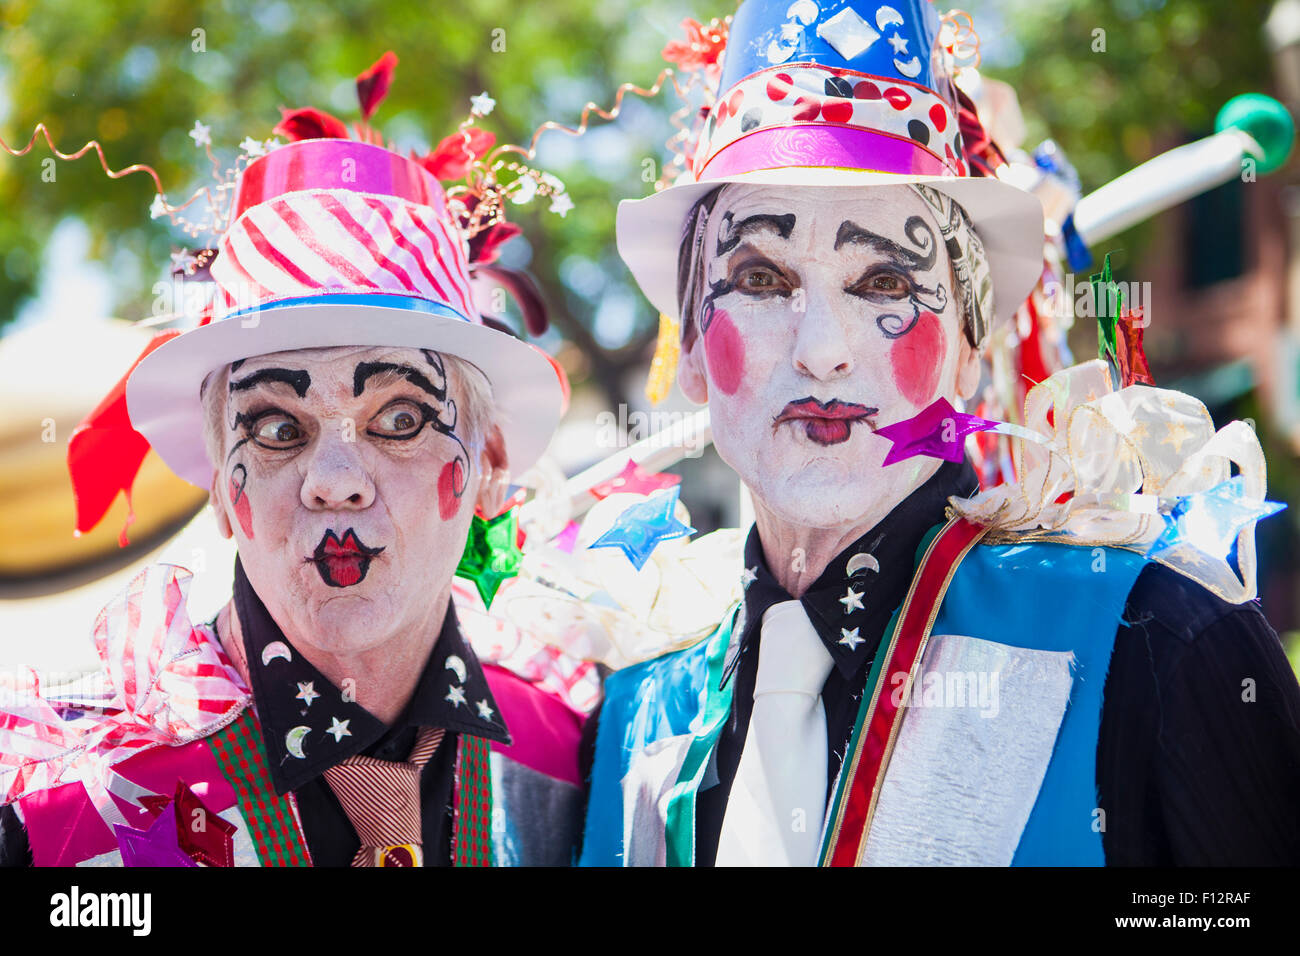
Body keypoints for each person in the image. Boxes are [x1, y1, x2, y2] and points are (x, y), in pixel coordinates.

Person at [580, 0, 1300, 865]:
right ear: (690, 350)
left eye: (885, 281)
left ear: (967, 354)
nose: (822, 353)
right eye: (764, 278)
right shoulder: (636, 710)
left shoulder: (1152, 635)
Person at [0, 61, 584, 866]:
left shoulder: (579, 761)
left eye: (400, 418)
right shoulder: (62, 812)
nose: (333, 478)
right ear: (215, 481)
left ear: (486, 462)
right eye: (277, 428)